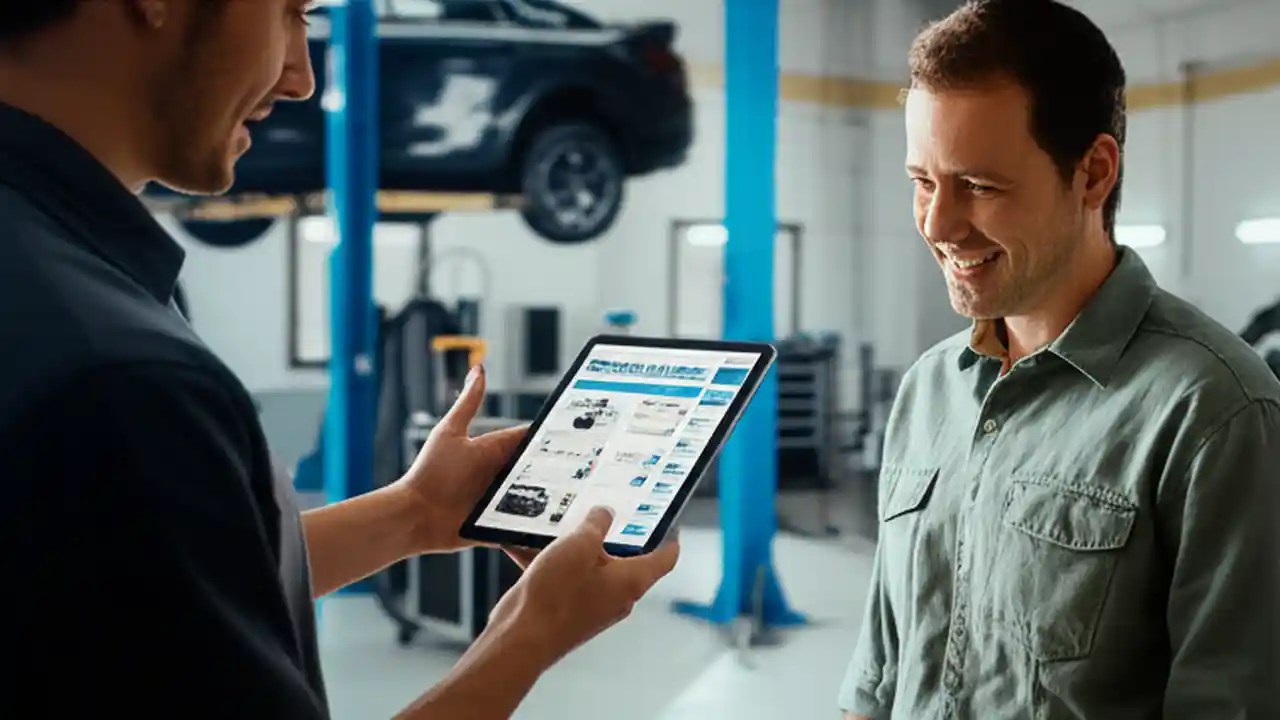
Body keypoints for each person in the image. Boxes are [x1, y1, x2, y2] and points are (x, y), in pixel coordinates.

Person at [0, 1, 678, 718]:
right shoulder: (123, 378)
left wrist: (415, 513)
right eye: (290, 13)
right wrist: (529, 630)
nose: (301, 78)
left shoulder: (50, 280)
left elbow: (129, 584)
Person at [839, 1, 1280, 718]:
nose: (937, 224)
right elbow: (877, 679)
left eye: (979, 186)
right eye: (923, 181)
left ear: (1094, 174)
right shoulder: (928, 392)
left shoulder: (1215, 413)